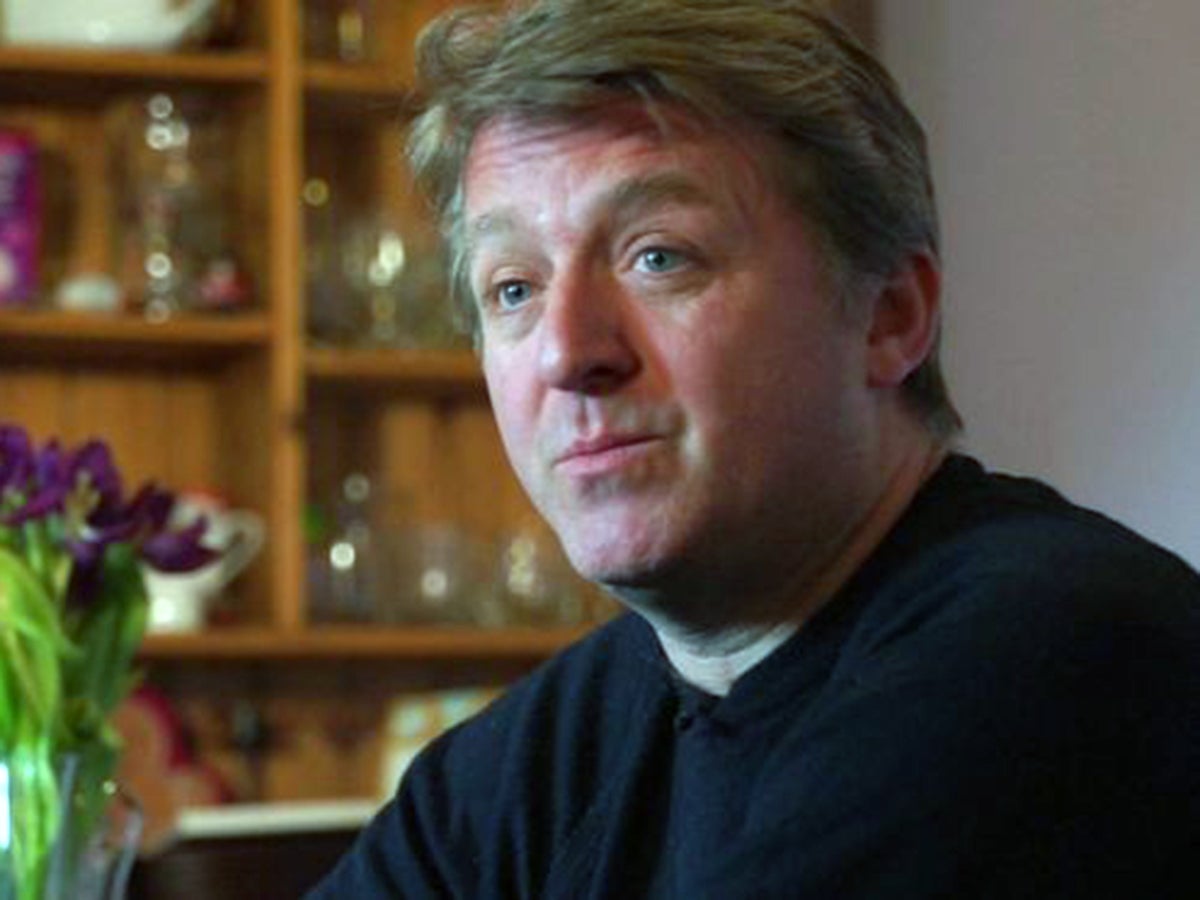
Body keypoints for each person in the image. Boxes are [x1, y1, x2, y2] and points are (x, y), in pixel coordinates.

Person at [309, 1, 1200, 896]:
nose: (568, 352)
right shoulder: (548, 752)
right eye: (513, 288)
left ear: (889, 315)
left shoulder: (1052, 648)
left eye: (659, 257)